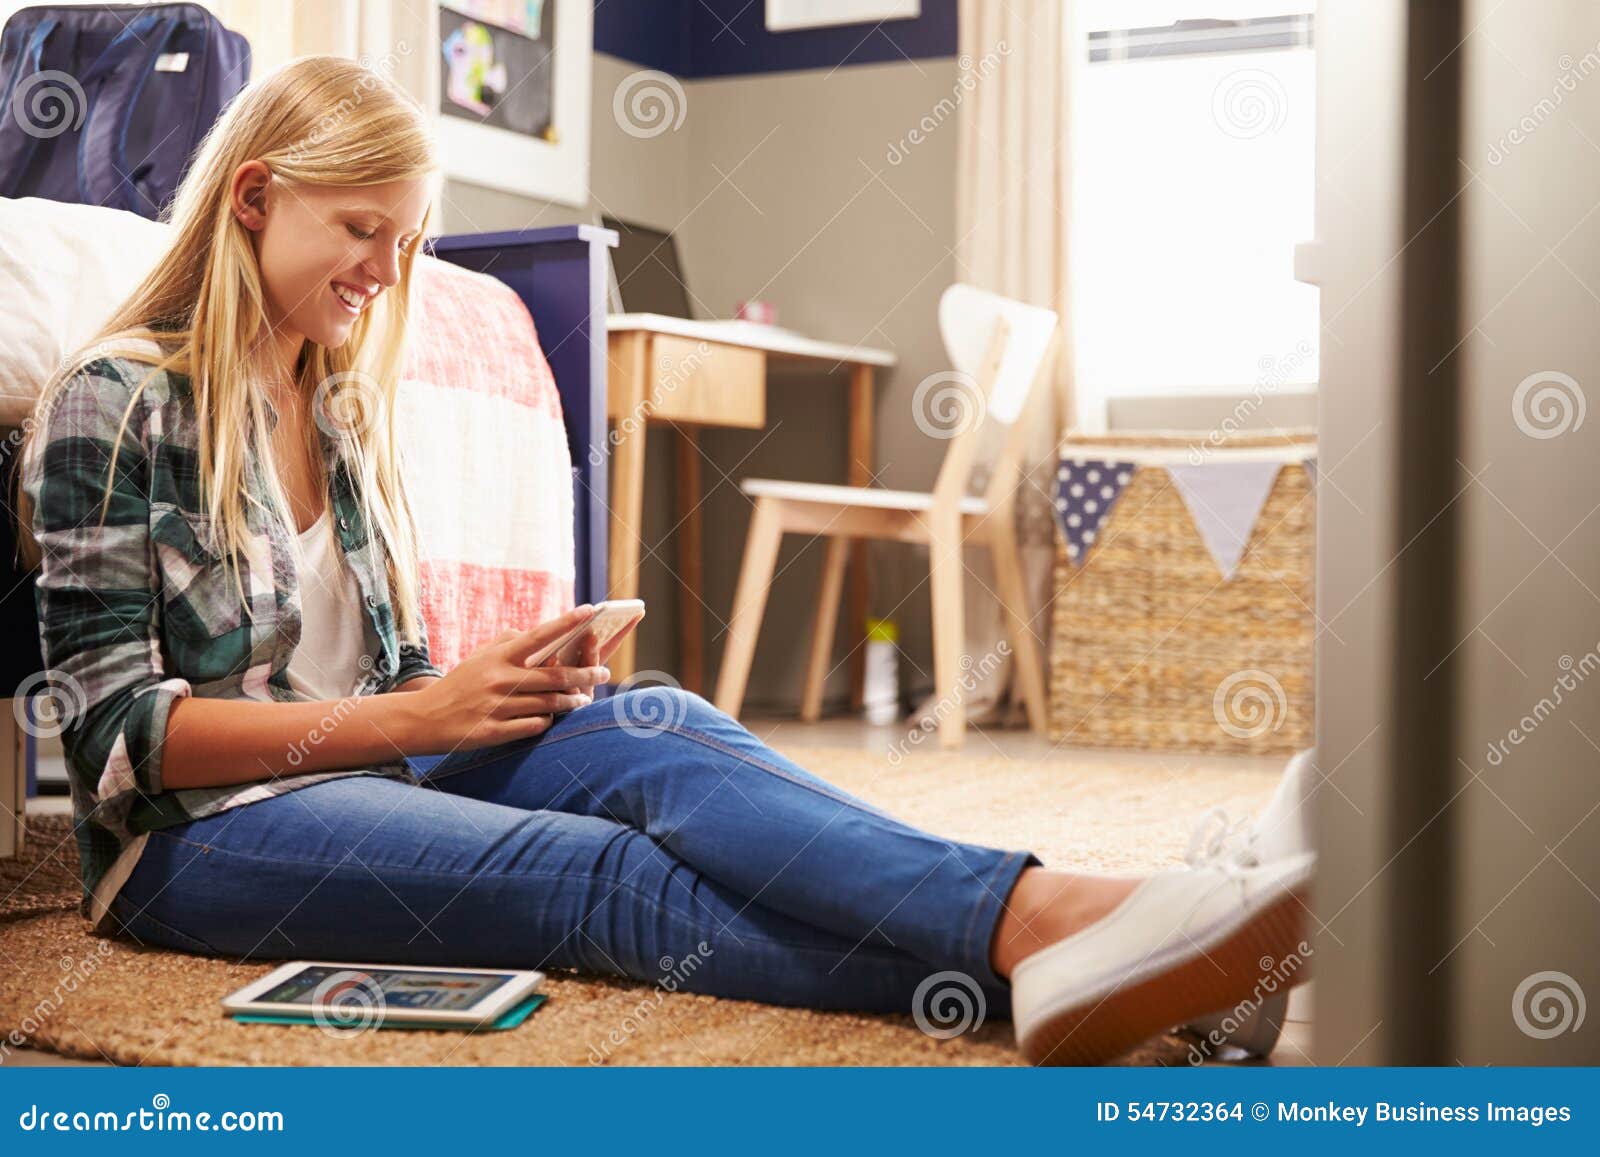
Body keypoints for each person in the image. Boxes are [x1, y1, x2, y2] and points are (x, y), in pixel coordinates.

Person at [18, 57, 1312, 1066]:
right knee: (608, 878)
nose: (388, 273)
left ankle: (1098, 931)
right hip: (196, 840)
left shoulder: (337, 402)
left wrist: (489, 686)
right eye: (363, 229)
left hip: (370, 760)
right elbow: (117, 741)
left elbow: (390, 679)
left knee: (657, 723)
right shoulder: (115, 404)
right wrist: (420, 717)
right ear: (253, 199)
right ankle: (1097, 938)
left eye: (406, 241)